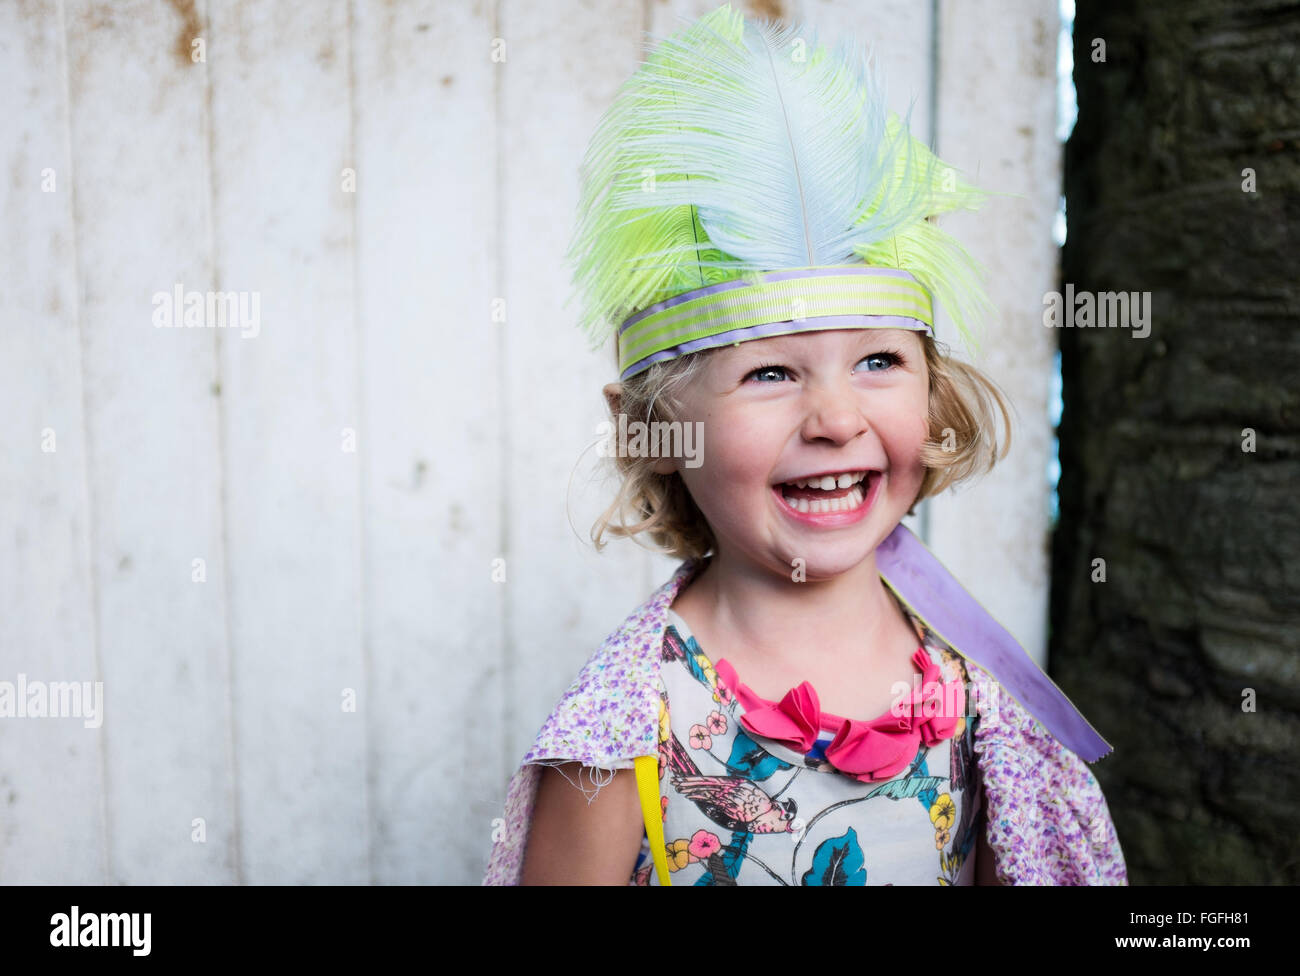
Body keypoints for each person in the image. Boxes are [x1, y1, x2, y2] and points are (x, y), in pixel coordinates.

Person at [483, 3, 1126, 886]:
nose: (834, 419)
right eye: (771, 375)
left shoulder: (976, 700)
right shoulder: (623, 729)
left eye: (877, 360)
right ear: (652, 429)